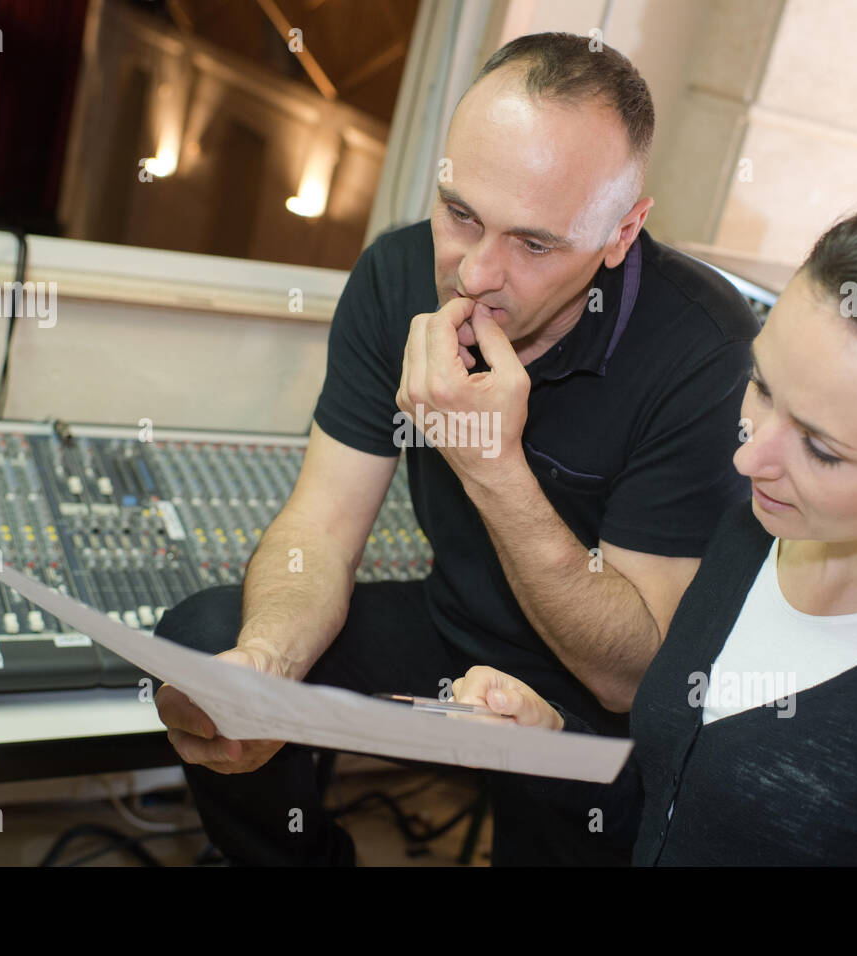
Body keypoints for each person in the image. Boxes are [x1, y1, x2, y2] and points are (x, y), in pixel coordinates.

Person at [150, 32, 761, 865]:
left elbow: (630, 669)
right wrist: (269, 662)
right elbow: (321, 527)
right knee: (209, 637)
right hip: (451, 631)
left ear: (622, 233)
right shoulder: (398, 274)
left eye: (534, 244)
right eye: (460, 214)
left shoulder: (702, 349)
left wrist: (492, 465)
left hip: (594, 696)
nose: (473, 273)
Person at [451, 193, 857, 865]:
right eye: (761, 386)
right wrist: (551, 745)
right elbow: (676, 811)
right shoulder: (757, 528)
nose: (748, 457)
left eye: (822, 449)